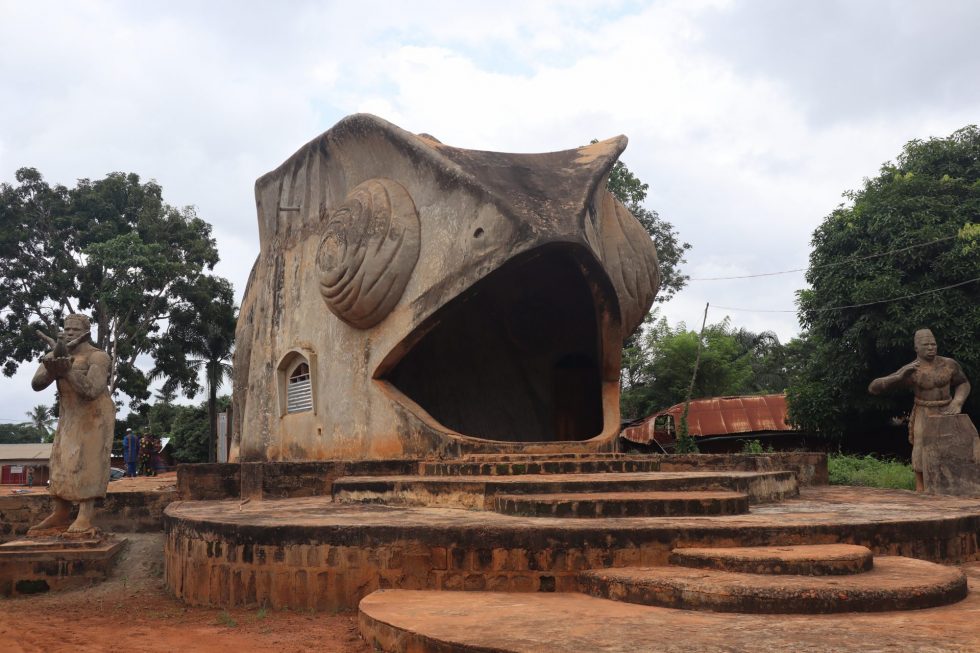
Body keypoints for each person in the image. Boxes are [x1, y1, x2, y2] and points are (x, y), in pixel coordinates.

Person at [28, 314, 115, 533]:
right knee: (61, 463)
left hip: (94, 416)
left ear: (86, 333)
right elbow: (37, 384)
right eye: (66, 329)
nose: (69, 334)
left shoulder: (98, 356)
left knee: (88, 462)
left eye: (75, 330)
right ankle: (61, 512)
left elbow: (92, 390)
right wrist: (52, 368)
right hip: (69, 416)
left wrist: (67, 371)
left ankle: (85, 515)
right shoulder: (56, 353)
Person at [869, 328, 971, 492]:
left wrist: (958, 402)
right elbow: (874, 388)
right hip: (924, 410)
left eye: (933, 344)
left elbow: (963, 383)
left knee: (956, 445)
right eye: (926, 345)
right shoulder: (911, 370)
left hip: (948, 408)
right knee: (920, 447)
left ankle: (955, 485)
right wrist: (898, 376)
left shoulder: (949, 364)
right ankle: (921, 487)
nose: (931, 347)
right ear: (917, 348)